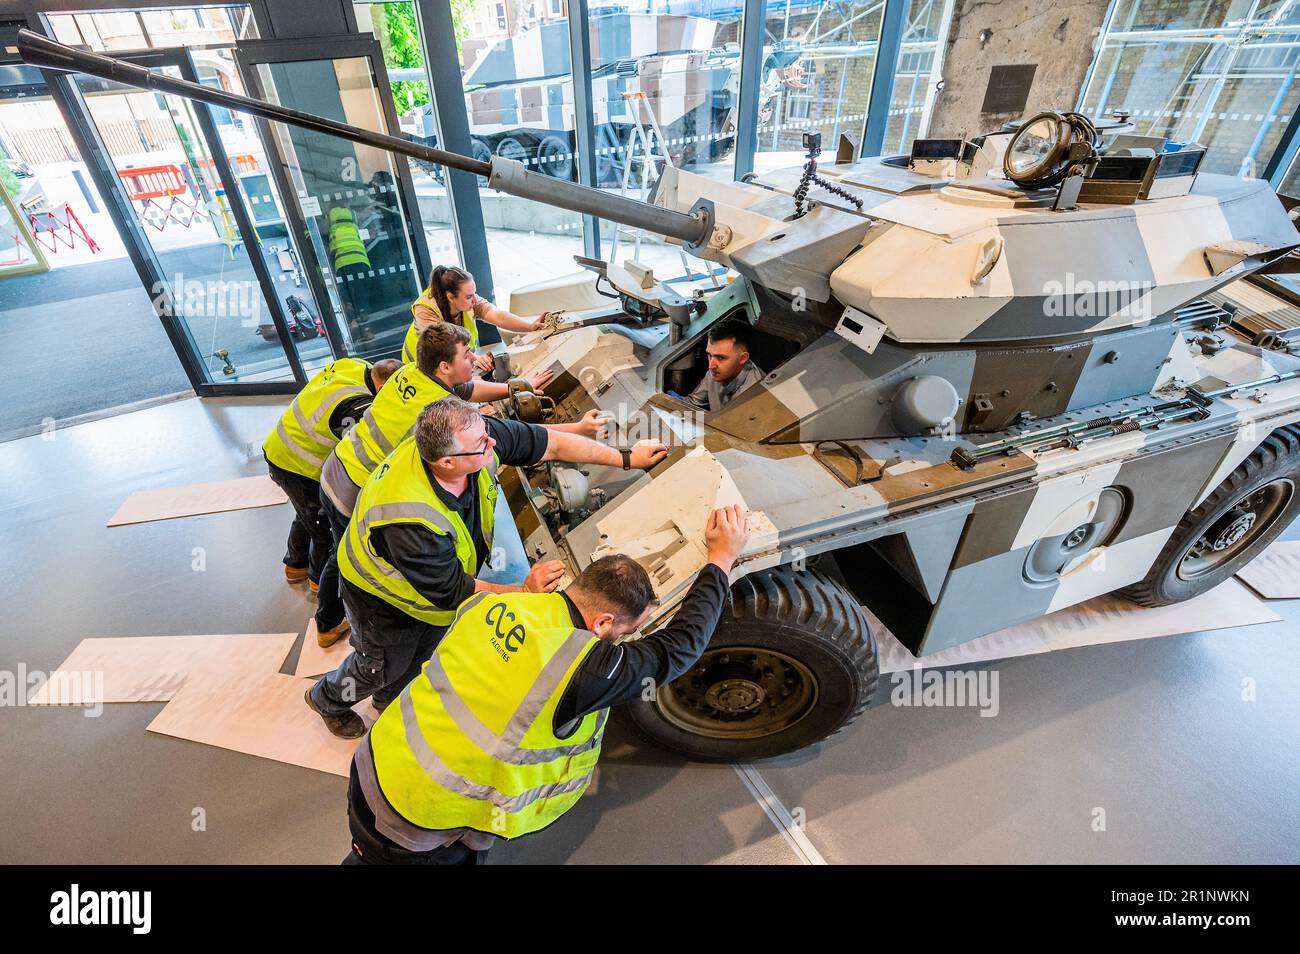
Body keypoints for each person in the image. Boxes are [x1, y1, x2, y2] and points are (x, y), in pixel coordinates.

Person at [341, 504, 749, 864]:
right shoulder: (583, 666)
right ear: (603, 623)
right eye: (626, 632)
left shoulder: (499, 602)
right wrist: (720, 561)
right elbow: (678, 649)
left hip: (376, 761)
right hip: (418, 817)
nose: (622, 643)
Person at [306, 397, 670, 740]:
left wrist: (626, 458)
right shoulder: (409, 518)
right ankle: (329, 698)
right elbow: (452, 591)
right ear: (447, 462)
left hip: (429, 586)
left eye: (486, 433)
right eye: (482, 443)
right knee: (381, 662)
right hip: (382, 595)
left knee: (421, 652)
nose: (493, 444)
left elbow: (549, 444)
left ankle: (389, 696)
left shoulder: (469, 439)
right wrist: (524, 593)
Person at [262, 356, 400, 647]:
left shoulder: (355, 365)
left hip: (280, 448)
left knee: (306, 514)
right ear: (382, 385)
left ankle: (296, 565)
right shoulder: (354, 406)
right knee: (330, 538)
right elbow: (365, 448)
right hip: (298, 465)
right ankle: (328, 620)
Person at [404, 265, 554, 371]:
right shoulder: (425, 309)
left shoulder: (468, 300)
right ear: (450, 297)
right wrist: (474, 357)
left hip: (451, 359)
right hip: (422, 363)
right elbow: (441, 346)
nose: (475, 301)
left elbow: (497, 315)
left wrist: (529, 326)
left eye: (474, 294)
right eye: (469, 297)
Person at [684, 320, 766, 412]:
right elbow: (691, 403)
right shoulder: (715, 372)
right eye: (710, 355)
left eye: (721, 358)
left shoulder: (757, 394)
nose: (711, 366)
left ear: (742, 358)